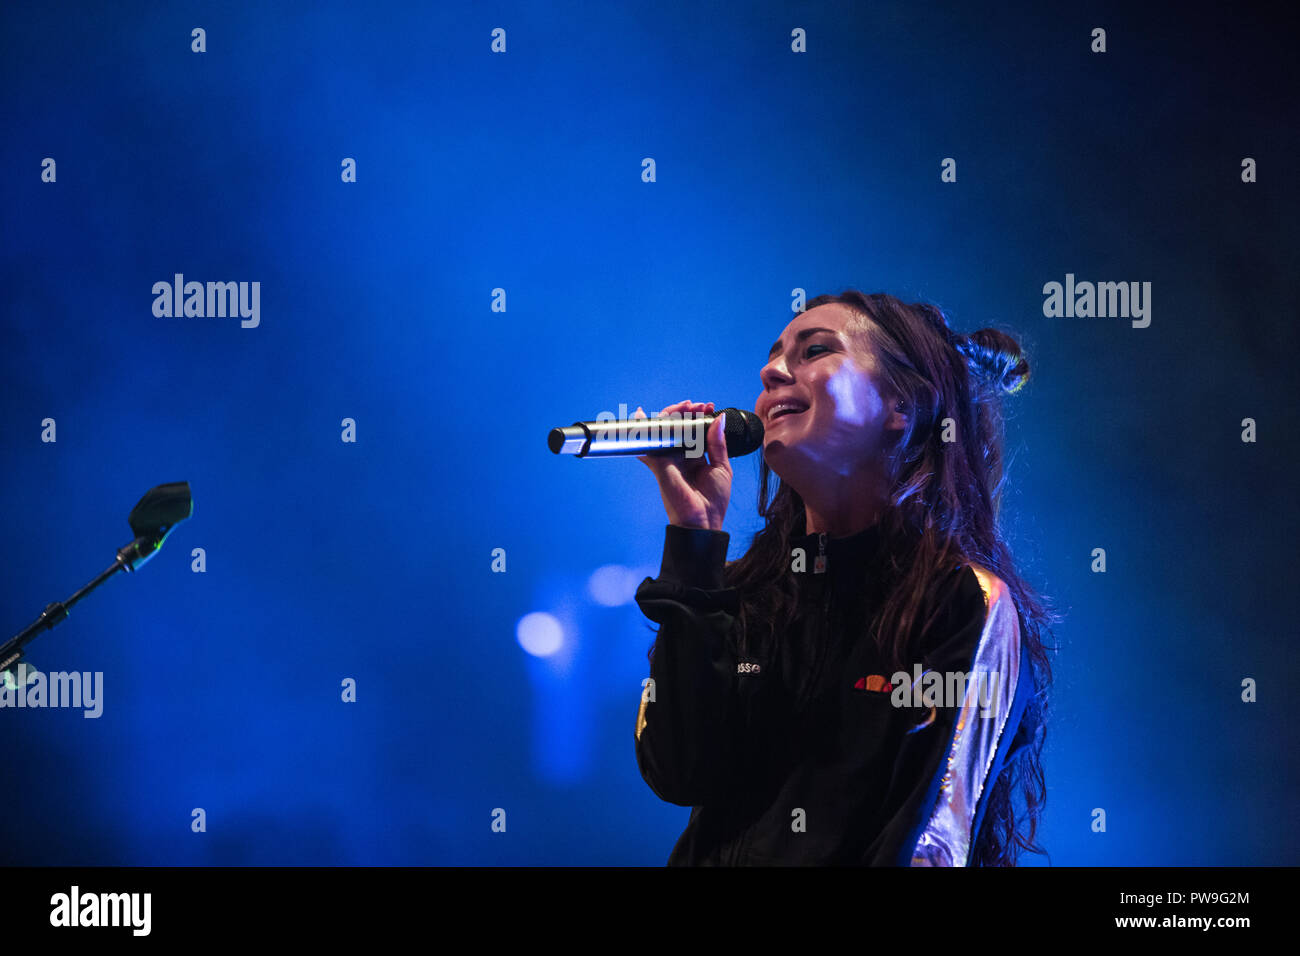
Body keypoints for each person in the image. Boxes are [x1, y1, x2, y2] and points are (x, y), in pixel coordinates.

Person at [631, 290, 1056, 866]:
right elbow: (679, 771)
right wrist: (695, 543)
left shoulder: (961, 604)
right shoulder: (744, 592)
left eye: (815, 350)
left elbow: (930, 842)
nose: (771, 370)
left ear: (900, 404)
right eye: (776, 356)